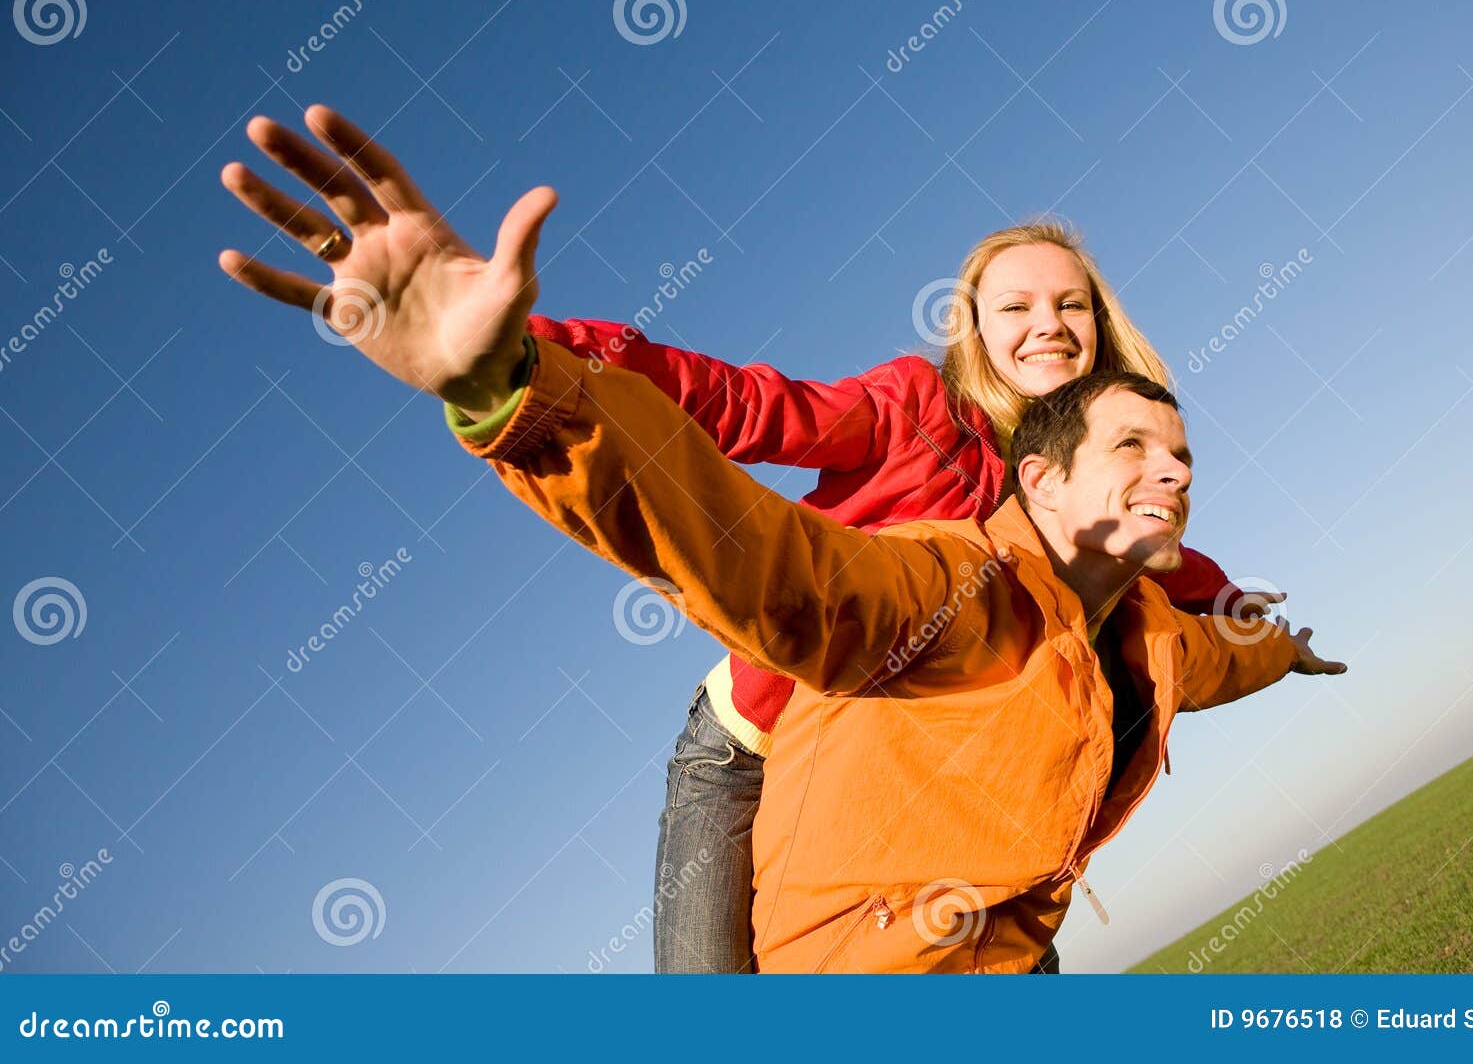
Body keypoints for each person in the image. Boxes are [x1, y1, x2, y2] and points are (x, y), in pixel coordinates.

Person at [217, 105, 1346, 974]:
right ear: (973, 328)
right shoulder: (913, 407)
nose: (1048, 324)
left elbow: (1182, 591)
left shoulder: (1100, 471)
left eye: (1072, 305)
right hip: (749, 746)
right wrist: (521, 358)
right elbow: (749, 410)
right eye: (1016, 306)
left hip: (907, 787)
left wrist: (1267, 629)